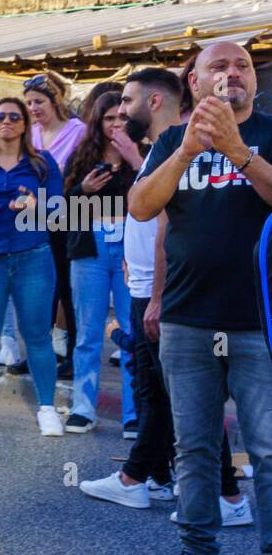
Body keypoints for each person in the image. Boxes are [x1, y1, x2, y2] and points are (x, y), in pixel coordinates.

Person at [129, 41, 272, 555]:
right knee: (193, 447)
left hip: (258, 321)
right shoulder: (170, 142)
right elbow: (144, 210)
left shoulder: (267, 132)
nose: (232, 73)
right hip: (188, 319)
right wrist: (188, 149)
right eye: (219, 66)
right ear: (194, 82)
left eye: (241, 66)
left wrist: (238, 151)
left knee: (267, 450)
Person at [79, 67, 252, 528]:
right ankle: (149, 475)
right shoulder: (165, 147)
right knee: (158, 392)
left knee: (182, 399)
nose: (120, 113)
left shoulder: (184, 145)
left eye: (128, 102)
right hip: (146, 287)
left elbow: (166, 228)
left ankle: (226, 494)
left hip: (163, 294)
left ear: (153, 103)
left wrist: (156, 296)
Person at [0, 96, 65, 436]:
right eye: (0, 116)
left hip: (33, 256)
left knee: (37, 335)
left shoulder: (42, 163)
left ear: (25, 124)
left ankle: (47, 407)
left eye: (14, 116)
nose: (6, 121)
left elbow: (59, 212)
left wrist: (37, 206)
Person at [62, 90, 139, 434]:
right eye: (109, 118)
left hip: (129, 248)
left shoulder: (146, 153)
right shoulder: (82, 155)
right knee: (88, 333)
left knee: (131, 332)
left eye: (122, 117)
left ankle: (134, 413)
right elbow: (61, 210)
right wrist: (83, 191)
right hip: (89, 245)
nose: (116, 124)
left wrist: (135, 159)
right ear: (98, 121)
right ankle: (83, 408)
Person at [25, 71, 86, 376]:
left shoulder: (78, 131)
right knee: (40, 288)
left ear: (55, 100)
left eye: (39, 101)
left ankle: (74, 354)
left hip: (67, 216)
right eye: (29, 103)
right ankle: (40, 352)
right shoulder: (31, 134)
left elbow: (76, 175)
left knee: (66, 287)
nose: (34, 108)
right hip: (34, 218)